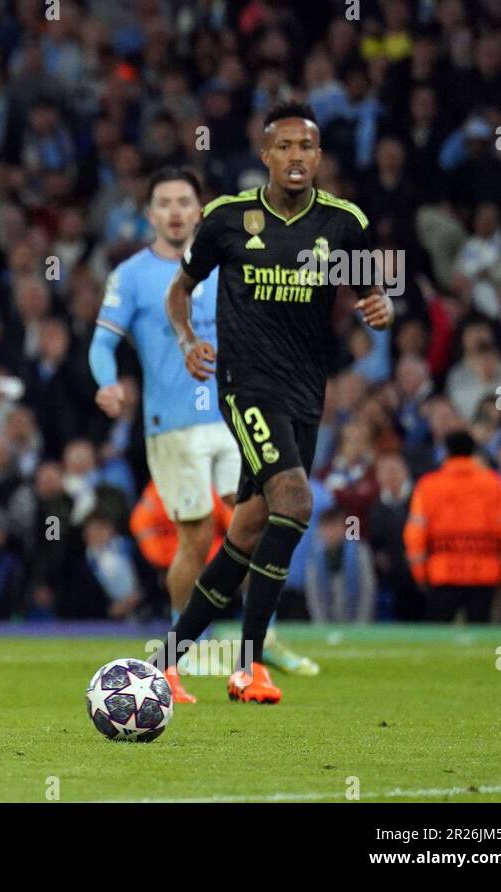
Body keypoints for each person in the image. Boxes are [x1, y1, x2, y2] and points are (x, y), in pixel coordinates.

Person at [149, 101, 392, 704]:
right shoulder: (228, 219)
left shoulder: (344, 223)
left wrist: (379, 307)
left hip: (307, 393)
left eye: (305, 147)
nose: (295, 158)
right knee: (297, 501)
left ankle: (169, 661)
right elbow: (179, 292)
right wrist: (186, 339)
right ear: (265, 157)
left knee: (251, 528)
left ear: (318, 157)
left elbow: (373, 293)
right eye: (283, 147)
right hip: (246, 386)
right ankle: (249, 665)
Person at [91, 168, 318, 699]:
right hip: (170, 426)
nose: (174, 211)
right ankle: (183, 648)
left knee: (252, 522)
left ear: (200, 211)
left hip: (231, 414)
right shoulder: (131, 275)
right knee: (194, 536)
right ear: (150, 214)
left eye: (184, 202)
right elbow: (103, 343)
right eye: (164, 202)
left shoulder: (228, 265)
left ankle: (261, 639)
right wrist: (107, 385)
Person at [403, 430, 501, 623]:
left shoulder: (428, 486)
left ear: (446, 452)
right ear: (473, 452)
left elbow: (415, 535)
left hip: (442, 572)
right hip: (485, 573)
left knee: (437, 637)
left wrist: (420, 573)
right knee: (480, 637)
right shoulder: (495, 484)